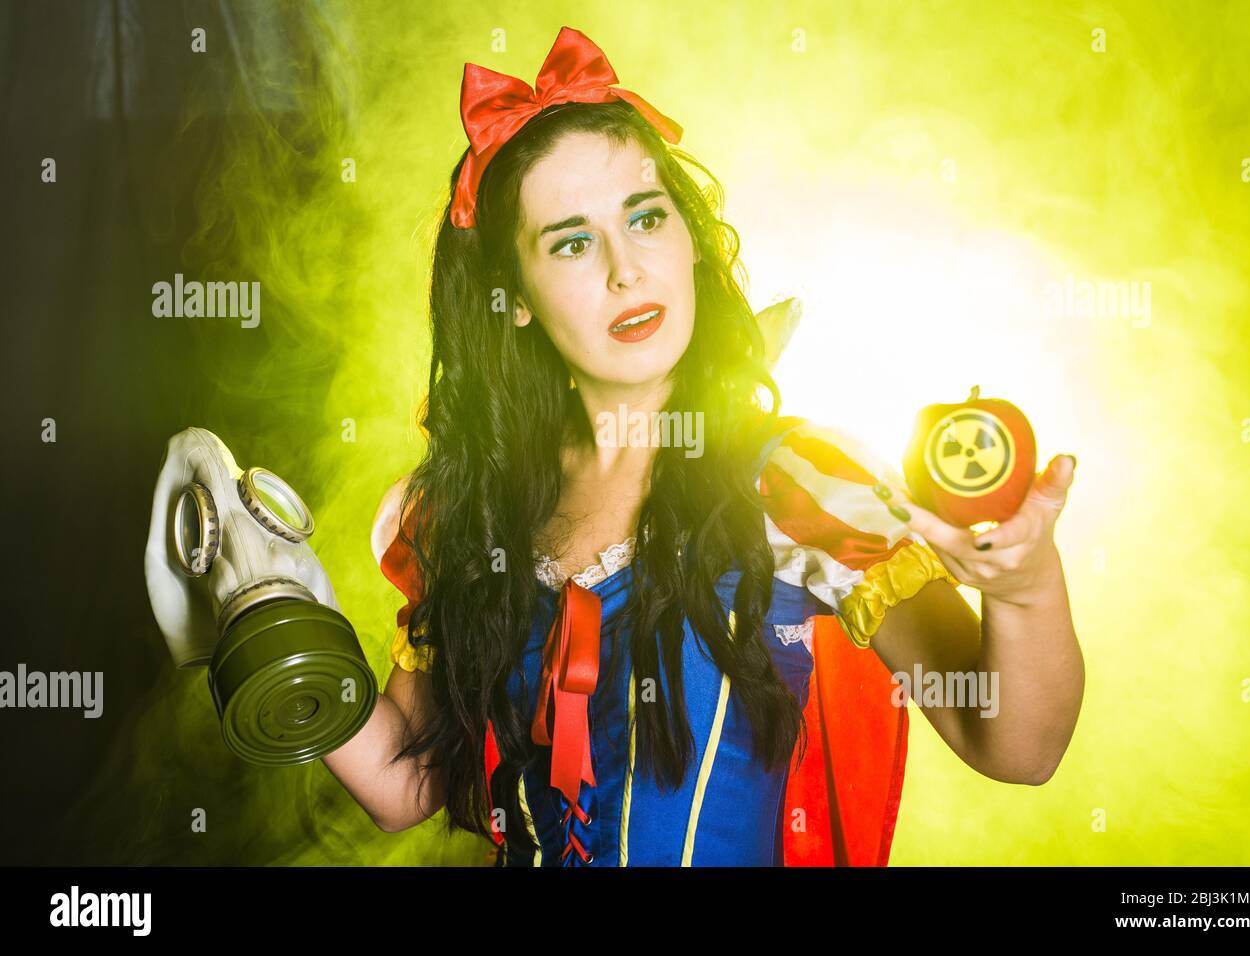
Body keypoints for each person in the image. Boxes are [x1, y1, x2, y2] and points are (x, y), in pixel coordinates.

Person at [326, 26, 1085, 867]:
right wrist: (264, 608)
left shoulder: (792, 486)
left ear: (687, 236)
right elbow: (405, 786)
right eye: (572, 241)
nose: (627, 270)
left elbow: (1018, 748)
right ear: (512, 299)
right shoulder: (469, 513)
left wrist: (1023, 589)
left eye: (645, 219)